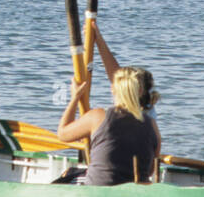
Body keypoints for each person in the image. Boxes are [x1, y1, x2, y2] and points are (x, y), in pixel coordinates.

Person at [57, 21, 161, 185]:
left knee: (64, 178)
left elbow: (62, 134)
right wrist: (97, 39)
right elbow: (150, 170)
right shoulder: (151, 124)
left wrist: (74, 98)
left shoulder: (97, 116)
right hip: (137, 189)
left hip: (100, 190)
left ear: (114, 89)